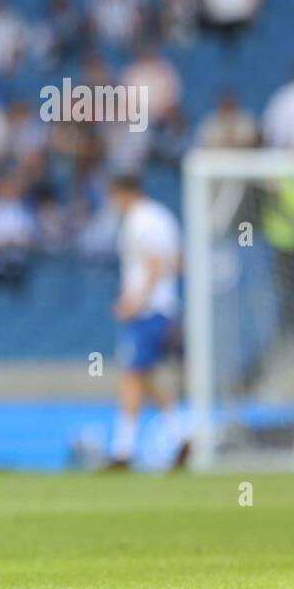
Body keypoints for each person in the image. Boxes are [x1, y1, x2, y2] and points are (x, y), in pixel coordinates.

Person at [106, 174, 188, 470]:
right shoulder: (164, 216)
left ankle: (123, 451)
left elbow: (154, 265)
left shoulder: (140, 221)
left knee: (131, 374)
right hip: (165, 307)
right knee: (145, 375)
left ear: (122, 192)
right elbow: (179, 262)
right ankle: (181, 435)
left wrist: (133, 302)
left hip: (148, 310)